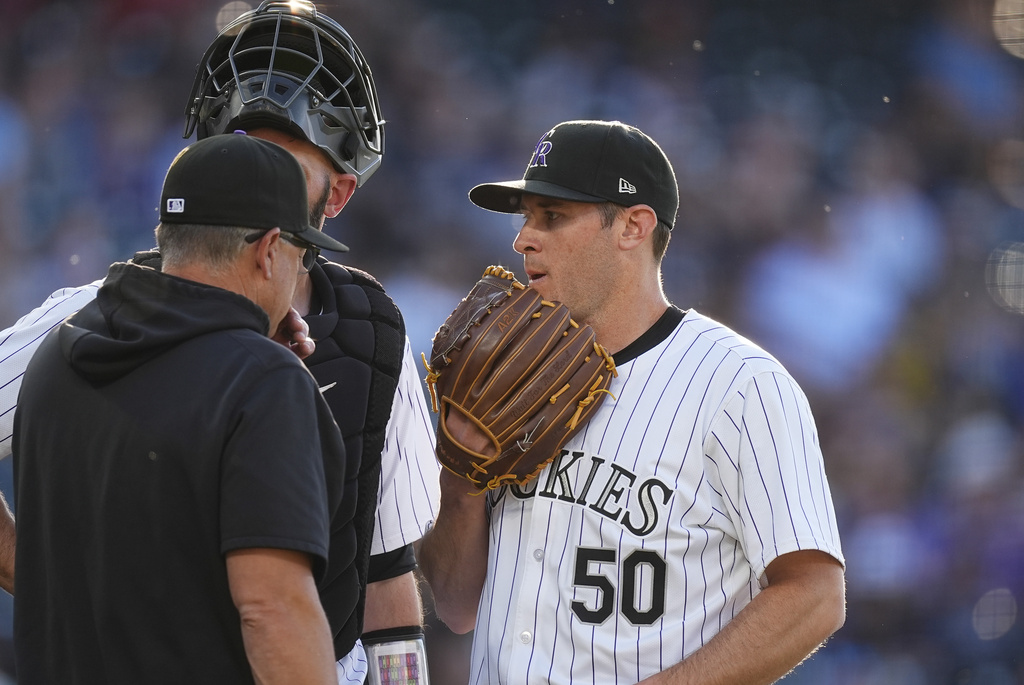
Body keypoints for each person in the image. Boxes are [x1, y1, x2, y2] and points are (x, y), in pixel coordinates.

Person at [0, 2, 439, 682]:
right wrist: (40, 576)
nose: (252, 172)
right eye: (237, 146)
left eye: (282, 160)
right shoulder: (86, 318)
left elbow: (383, 573)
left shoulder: (373, 328)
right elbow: (272, 607)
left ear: (339, 193)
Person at [416, 120, 847, 684]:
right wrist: (461, 481)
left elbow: (815, 596)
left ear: (633, 227)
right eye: (525, 218)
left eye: (553, 216)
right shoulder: (502, 379)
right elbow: (456, 605)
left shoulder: (741, 384)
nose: (523, 240)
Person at [14, 133, 351, 684]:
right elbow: (273, 610)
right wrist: (264, 375)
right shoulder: (263, 384)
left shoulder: (56, 354)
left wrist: (31, 575)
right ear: (269, 250)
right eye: (303, 253)